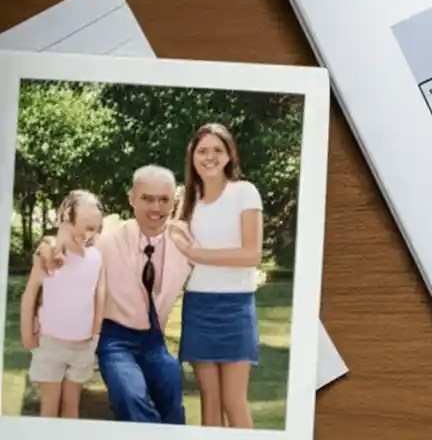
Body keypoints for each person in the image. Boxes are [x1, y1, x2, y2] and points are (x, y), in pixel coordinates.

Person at [38, 166, 192, 424]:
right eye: (147, 198)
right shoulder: (108, 238)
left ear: (172, 202)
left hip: (154, 340)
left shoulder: (183, 242)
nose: (156, 208)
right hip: (116, 339)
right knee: (130, 395)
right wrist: (50, 245)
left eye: (163, 200)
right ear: (132, 198)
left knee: (170, 387)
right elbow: (70, 242)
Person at [169, 123, 263, 429]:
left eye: (217, 150)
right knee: (209, 399)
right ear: (192, 156)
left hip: (236, 307)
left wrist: (196, 254)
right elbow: (173, 241)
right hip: (199, 306)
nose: (209, 157)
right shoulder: (188, 199)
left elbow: (251, 255)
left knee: (233, 400)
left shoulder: (245, 192)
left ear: (229, 155)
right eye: (202, 151)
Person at [20, 190, 105, 418]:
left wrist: (95, 334)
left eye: (95, 229)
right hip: (51, 346)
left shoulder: (96, 257)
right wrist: (27, 335)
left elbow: (99, 294)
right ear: (67, 217)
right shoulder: (47, 256)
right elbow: (30, 293)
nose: (89, 235)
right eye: (86, 227)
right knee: (49, 411)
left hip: (83, 348)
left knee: (71, 409)